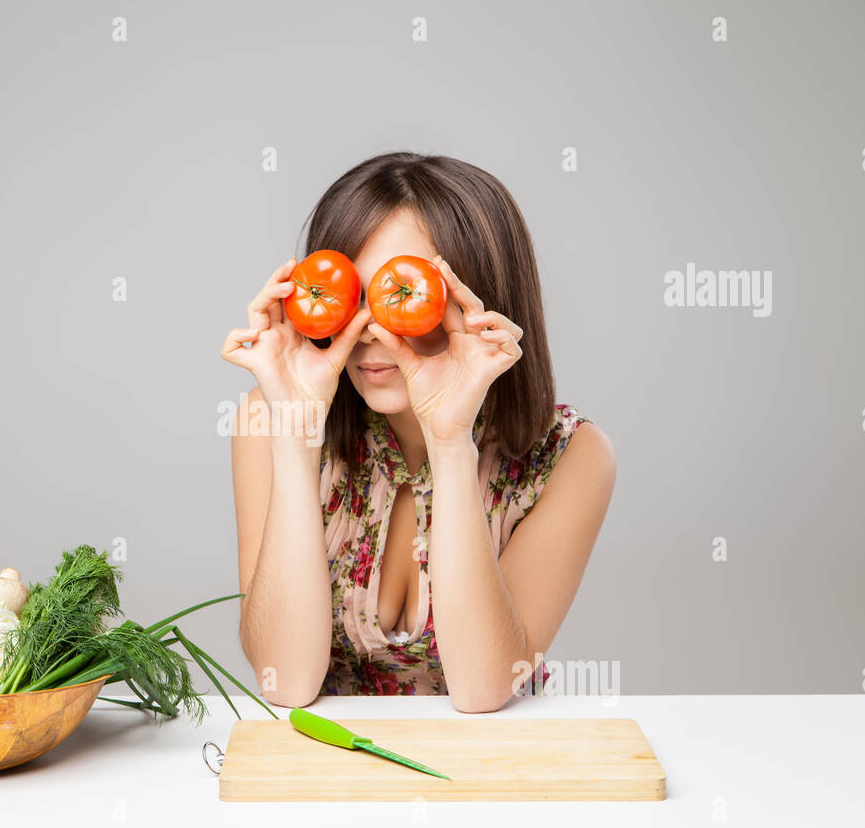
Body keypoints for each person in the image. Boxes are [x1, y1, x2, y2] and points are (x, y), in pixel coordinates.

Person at [220, 152, 615, 711]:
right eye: (345, 295)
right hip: (328, 781)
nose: (366, 331)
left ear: (480, 299)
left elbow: (484, 690)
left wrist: (451, 442)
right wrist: (295, 431)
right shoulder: (269, 419)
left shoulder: (573, 455)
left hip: (491, 776)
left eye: (400, 294)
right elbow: (282, 680)